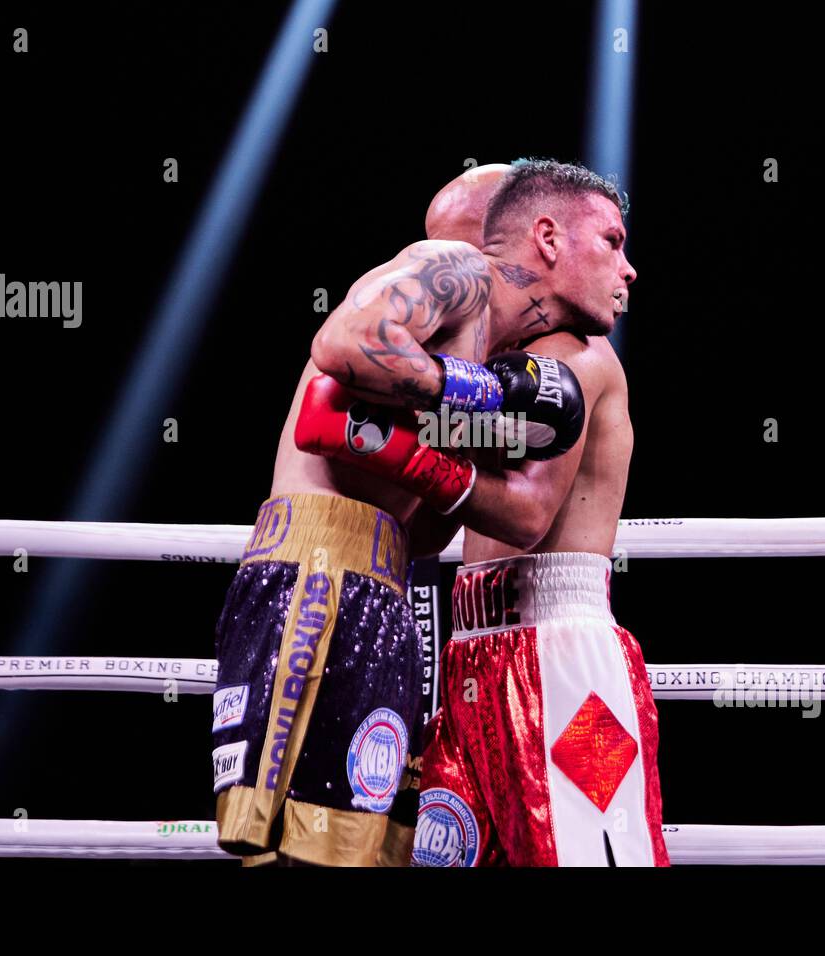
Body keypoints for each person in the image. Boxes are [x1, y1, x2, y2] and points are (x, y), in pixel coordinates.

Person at [212, 159, 627, 866]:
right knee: (292, 853)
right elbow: (343, 345)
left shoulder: (499, 353)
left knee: (363, 849)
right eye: (613, 241)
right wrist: (476, 392)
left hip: (386, 586)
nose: (627, 267)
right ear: (535, 235)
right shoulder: (454, 270)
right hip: (320, 571)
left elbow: (434, 522)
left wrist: (443, 436)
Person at [410, 161, 669, 866]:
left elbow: (526, 517)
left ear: (518, 236)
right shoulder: (484, 364)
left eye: (459, 246)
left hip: (563, 659)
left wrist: (398, 449)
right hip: (469, 651)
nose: (444, 267)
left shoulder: (572, 358)